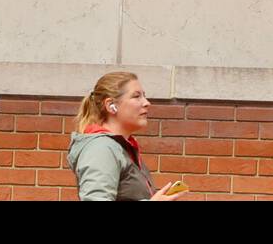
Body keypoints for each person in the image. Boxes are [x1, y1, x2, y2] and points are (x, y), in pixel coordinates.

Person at [67, 71, 187, 201]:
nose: (147, 103)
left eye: (144, 96)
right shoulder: (101, 149)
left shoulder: (119, 148)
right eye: (136, 96)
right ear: (111, 106)